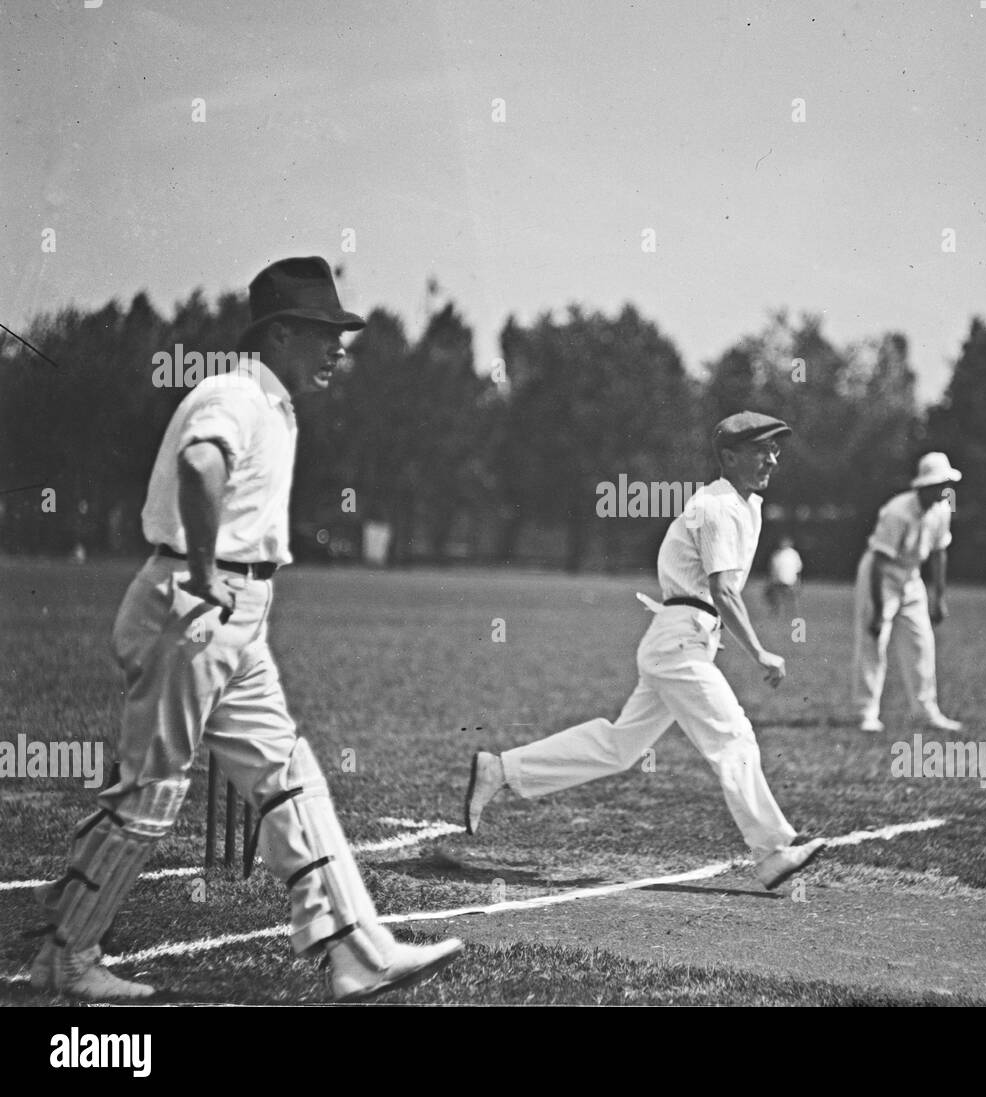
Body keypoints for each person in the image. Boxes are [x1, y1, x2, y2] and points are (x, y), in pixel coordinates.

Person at [27, 257, 463, 1001]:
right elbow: (201, 466)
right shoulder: (232, 391)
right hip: (196, 603)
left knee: (291, 781)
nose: (338, 347)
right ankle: (66, 956)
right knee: (150, 794)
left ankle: (357, 951)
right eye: (325, 332)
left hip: (237, 613)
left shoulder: (278, 405)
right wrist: (201, 575)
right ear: (281, 332)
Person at [463, 412, 826, 890]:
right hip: (680, 640)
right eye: (762, 450)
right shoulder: (715, 506)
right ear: (729, 457)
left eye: (776, 449)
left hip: (679, 639)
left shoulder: (747, 506)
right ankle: (774, 851)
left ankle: (500, 768)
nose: (773, 459)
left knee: (619, 747)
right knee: (732, 735)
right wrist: (759, 651)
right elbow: (723, 590)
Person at [851, 452, 963, 734]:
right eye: (940, 484)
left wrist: (939, 597)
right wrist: (877, 610)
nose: (944, 490)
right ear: (924, 486)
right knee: (873, 641)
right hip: (881, 577)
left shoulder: (941, 511)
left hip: (911, 578)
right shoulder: (897, 512)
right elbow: (878, 562)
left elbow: (939, 554)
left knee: (922, 643)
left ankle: (926, 711)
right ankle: (867, 712)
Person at [764, 536, 803, 619]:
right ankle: (782, 613)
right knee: (779, 598)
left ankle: (785, 614)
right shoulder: (780, 554)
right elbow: (772, 569)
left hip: (785, 581)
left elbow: (798, 569)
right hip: (783, 581)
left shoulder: (789, 554)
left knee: (788, 598)